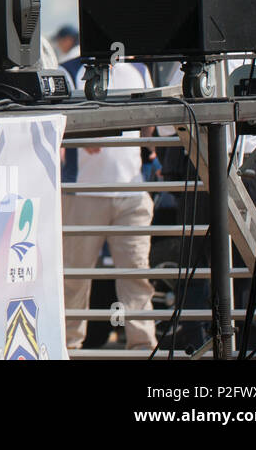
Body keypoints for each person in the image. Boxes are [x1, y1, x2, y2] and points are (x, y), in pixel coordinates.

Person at [61, 58, 158, 352]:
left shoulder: (139, 71)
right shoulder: (68, 70)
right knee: (74, 279)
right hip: (82, 193)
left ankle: (143, 348)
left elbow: (150, 122)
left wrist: (148, 150)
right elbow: (56, 124)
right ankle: (68, 347)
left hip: (131, 191)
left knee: (136, 275)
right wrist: (80, 135)